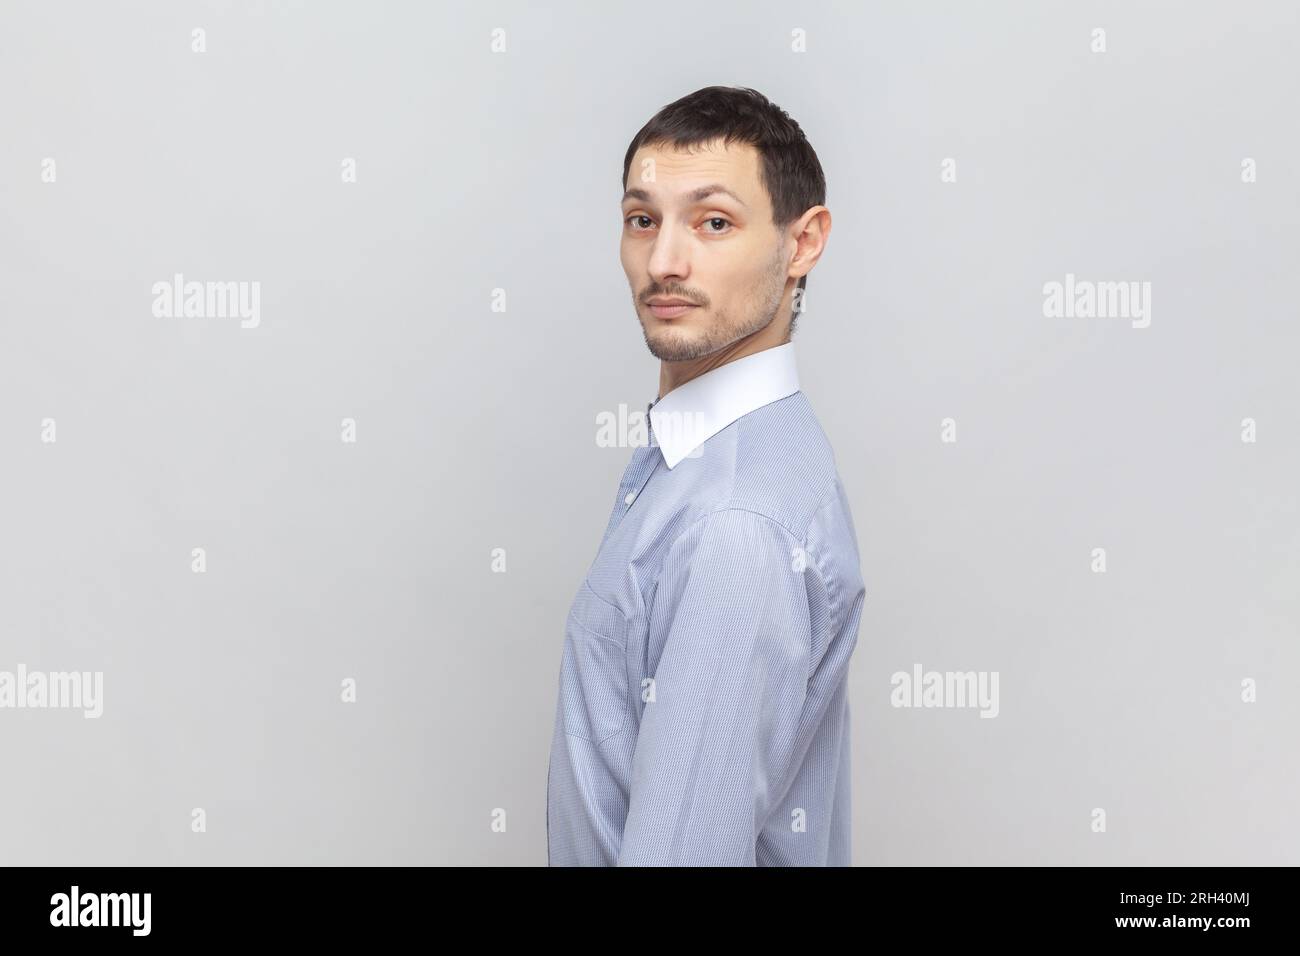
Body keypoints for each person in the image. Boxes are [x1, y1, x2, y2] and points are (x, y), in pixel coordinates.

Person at [547, 86, 865, 866]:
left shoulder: (735, 526)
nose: (664, 263)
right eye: (642, 220)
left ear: (803, 242)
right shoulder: (707, 457)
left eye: (713, 222)